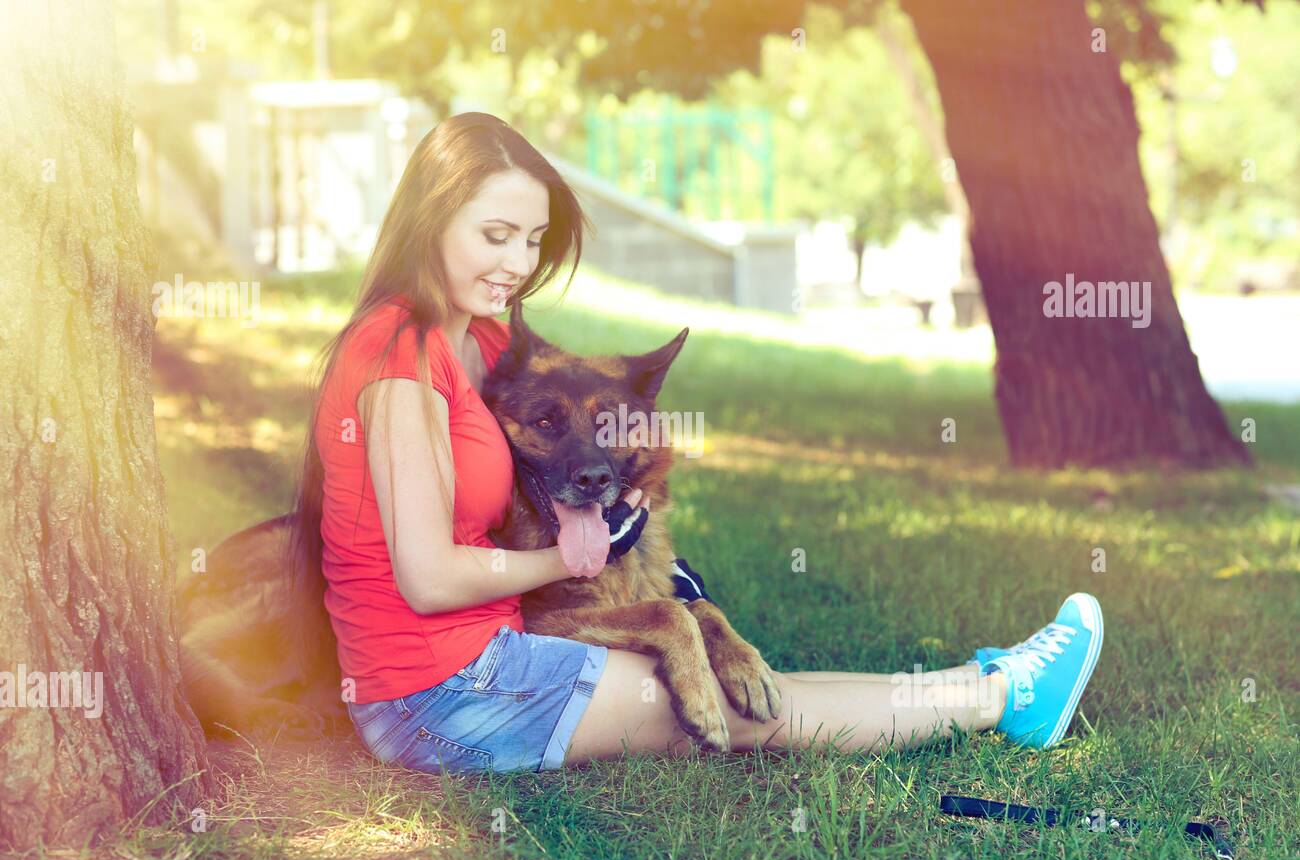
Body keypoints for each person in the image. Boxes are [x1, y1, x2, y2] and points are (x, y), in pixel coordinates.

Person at [287, 112, 1104, 776]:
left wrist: (632, 492)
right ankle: (1003, 701)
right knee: (735, 711)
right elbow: (427, 581)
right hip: (438, 696)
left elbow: (575, 409)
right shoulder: (396, 353)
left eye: (533, 240)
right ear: (432, 218)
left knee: (730, 666)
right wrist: (583, 555)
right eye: (494, 235)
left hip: (493, 652)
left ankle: (986, 680)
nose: (517, 263)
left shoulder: (484, 341)